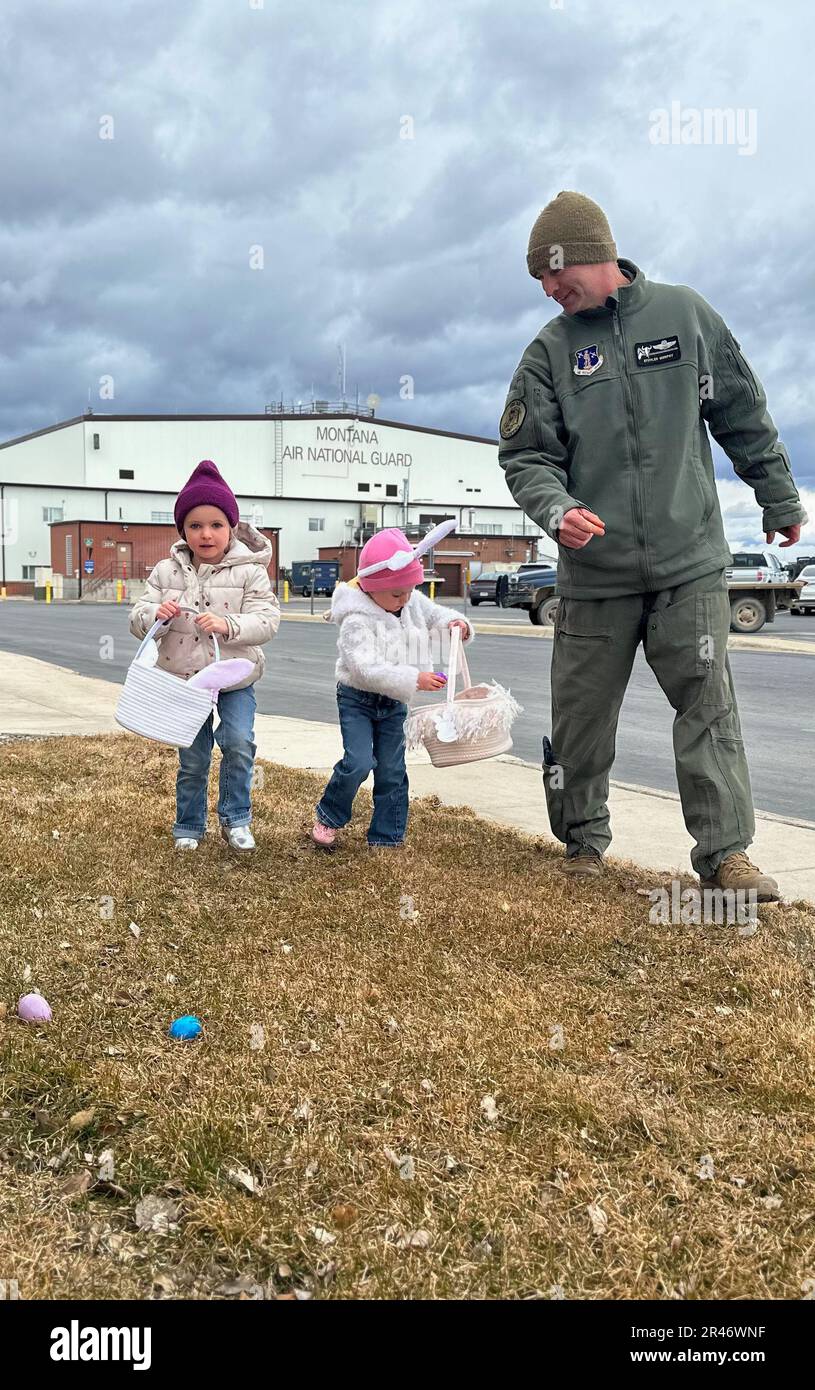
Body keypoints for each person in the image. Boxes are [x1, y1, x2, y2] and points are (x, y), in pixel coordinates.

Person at [498, 191, 808, 899]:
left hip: (686, 563)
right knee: (578, 724)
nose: (548, 291)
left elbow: (741, 411)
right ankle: (580, 841)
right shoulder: (549, 350)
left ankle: (726, 856)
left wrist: (779, 497)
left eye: (553, 275)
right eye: (540, 283)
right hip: (593, 575)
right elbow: (524, 456)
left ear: (592, 256)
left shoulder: (684, 316)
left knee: (707, 709)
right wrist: (557, 508)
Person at [130, 459, 280, 851]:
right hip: (184, 682)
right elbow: (137, 617)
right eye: (195, 525)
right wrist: (154, 617)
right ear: (183, 530)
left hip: (234, 676)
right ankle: (188, 825)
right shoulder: (166, 572)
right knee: (193, 758)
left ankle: (236, 819)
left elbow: (268, 620)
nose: (206, 534)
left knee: (238, 742)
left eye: (216, 524)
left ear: (231, 527)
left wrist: (229, 624)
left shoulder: (250, 572)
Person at [312, 527, 474, 850]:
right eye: (397, 595)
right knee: (359, 762)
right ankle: (329, 815)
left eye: (409, 591)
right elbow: (366, 669)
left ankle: (387, 836)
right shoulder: (356, 619)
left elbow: (435, 614)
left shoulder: (409, 599)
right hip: (357, 698)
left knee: (392, 768)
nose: (405, 599)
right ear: (372, 588)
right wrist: (414, 679)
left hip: (394, 704)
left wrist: (456, 623)